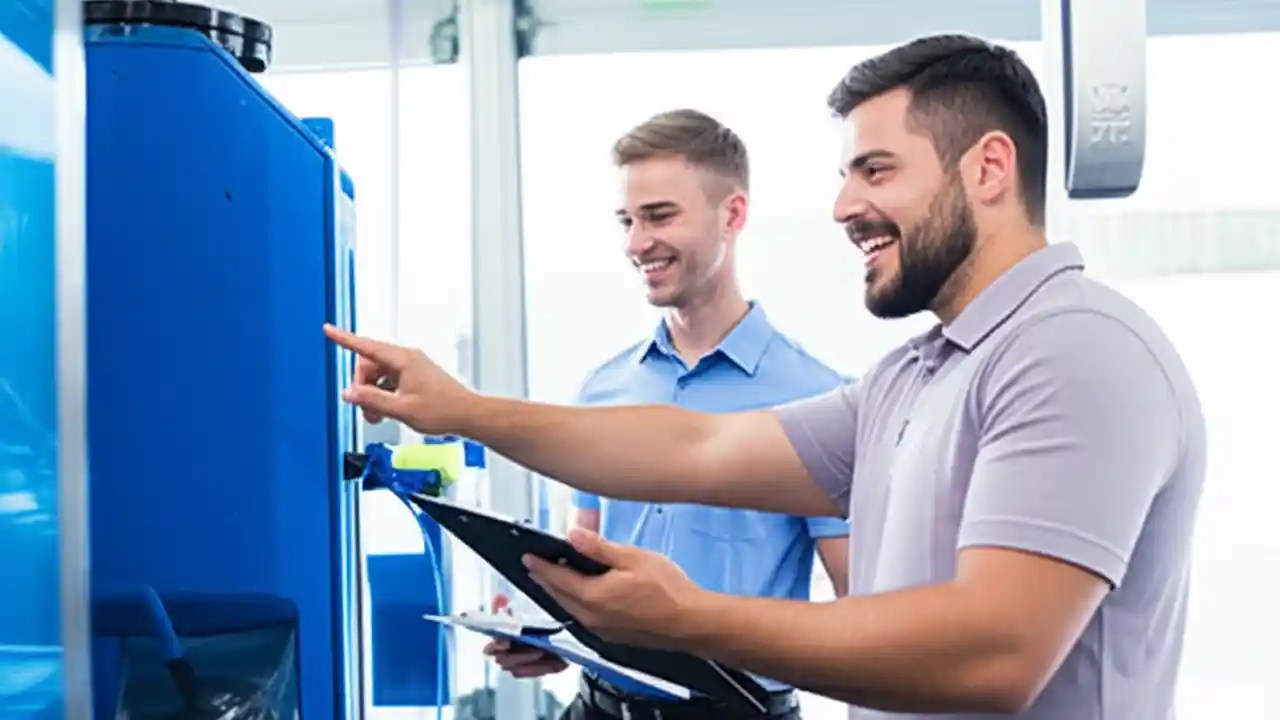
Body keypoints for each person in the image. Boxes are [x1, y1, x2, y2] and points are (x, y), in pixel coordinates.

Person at [325, 33, 1206, 720]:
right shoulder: (914, 374)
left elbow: (994, 654)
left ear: (988, 168)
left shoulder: (1077, 351)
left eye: (876, 170)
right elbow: (698, 445)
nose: (843, 207)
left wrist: (687, 619)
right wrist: (466, 410)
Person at [487, 108, 850, 720]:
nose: (635, 243)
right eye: (627, 221)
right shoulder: (603, 389)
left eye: (658, 217)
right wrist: (549, 629)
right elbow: (592, 562)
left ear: (732, 215)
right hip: (595, 709)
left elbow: (861, 611)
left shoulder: (821, 400)